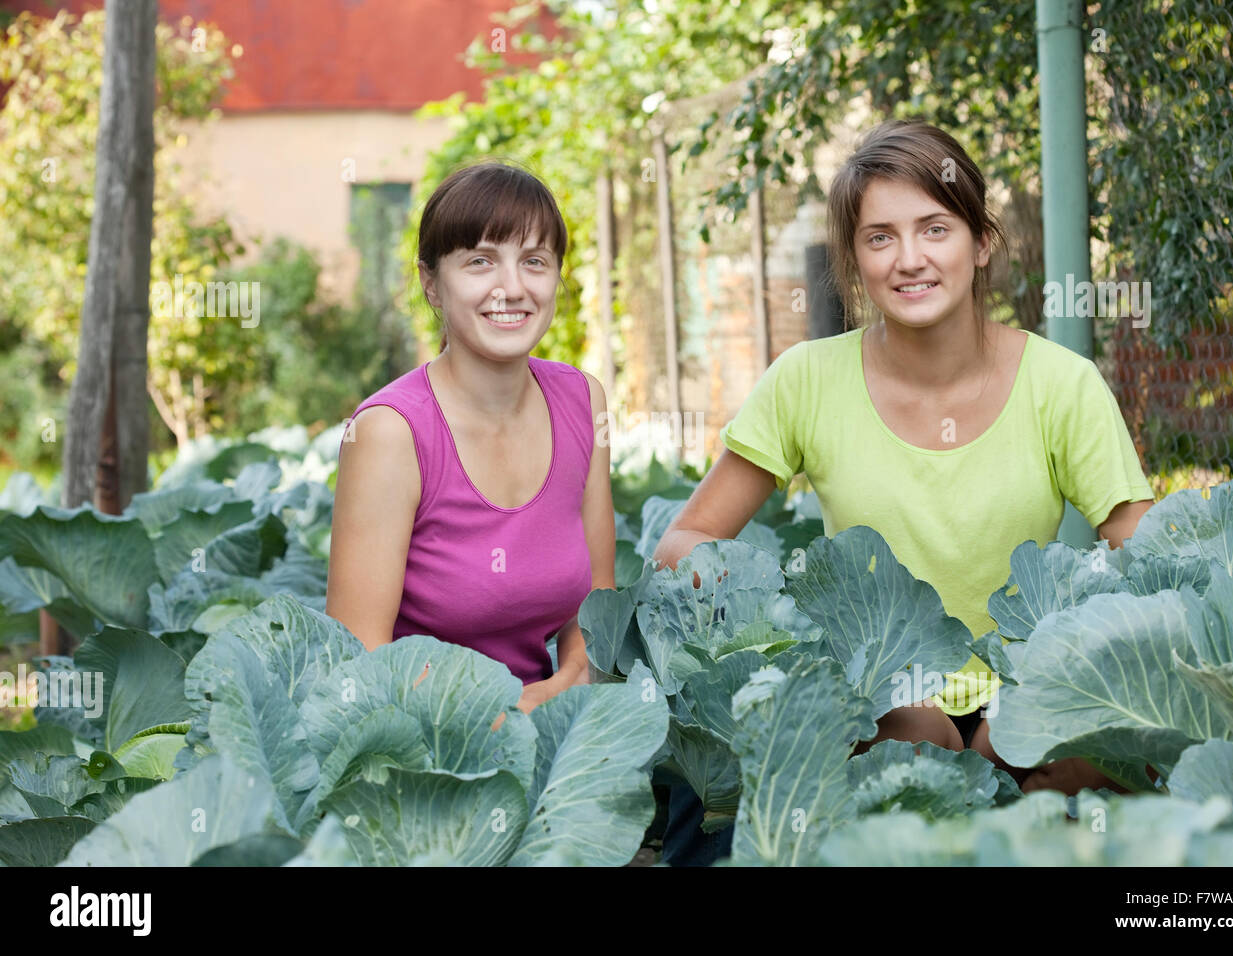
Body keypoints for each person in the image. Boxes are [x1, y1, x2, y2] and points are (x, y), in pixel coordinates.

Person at [652, 119, 1156, 864]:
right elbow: (680, 546)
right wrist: (838, 672)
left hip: (1022, 696)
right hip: (870, 693)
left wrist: (1039, 695)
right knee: (856, 761)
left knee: (1076, 769)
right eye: (880, 237)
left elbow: (1146, 563)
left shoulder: (1061, 384)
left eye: (935, 229)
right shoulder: (807, 380)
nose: (909, 259)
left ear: (981, 242)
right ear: (854, 259)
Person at [326, 161, 614, 716]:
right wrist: (499, 717)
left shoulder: (584, 401)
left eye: (534, 261)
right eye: (480, 261)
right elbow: (359, 658)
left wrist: (558, 694)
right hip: (420, 748)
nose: (512, 287)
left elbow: (596, 611)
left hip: (553, 734)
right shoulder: (389, 432)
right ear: (432, 283)